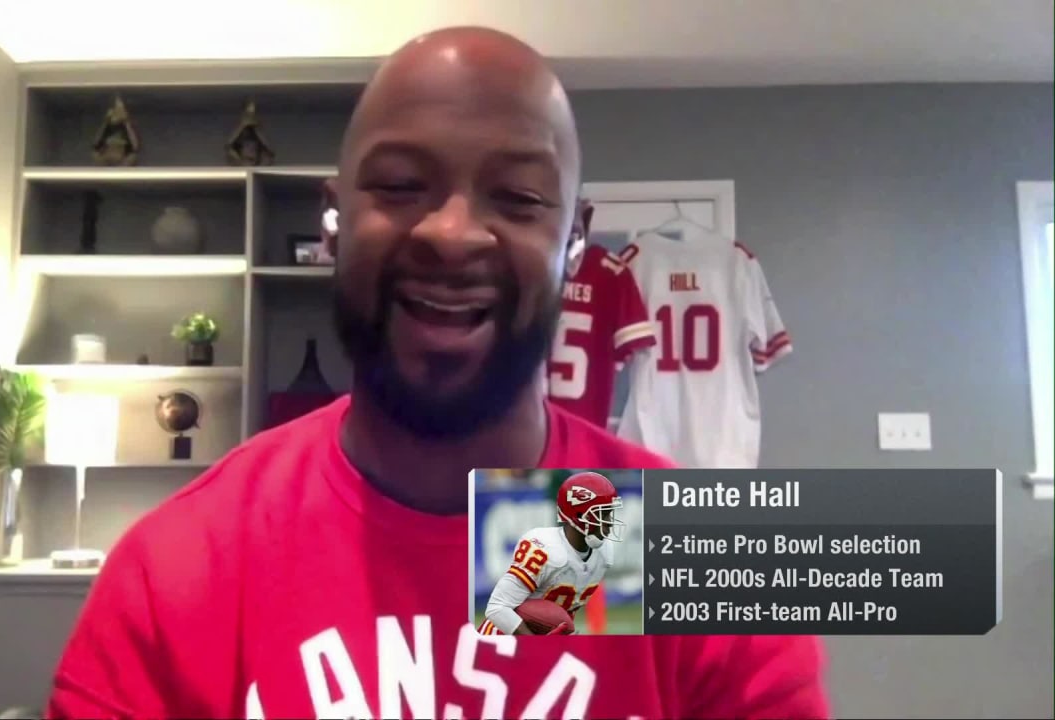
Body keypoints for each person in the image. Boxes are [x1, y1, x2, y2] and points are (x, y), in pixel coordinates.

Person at [46, 26, 830, 719]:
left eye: (518, 196)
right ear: (334, 225)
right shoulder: (188, 564)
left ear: (574, 243)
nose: (453, 235)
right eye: (398, 186)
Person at [478, 472, 622, 636]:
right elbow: (497, 607)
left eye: (610, 513)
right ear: (579, 516)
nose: (610, 522)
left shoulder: (604, 553)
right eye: (602, 514)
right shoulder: (545, 548)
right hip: (499, 643)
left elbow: (562, 614)